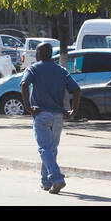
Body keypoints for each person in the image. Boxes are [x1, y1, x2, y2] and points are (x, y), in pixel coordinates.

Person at [19, 42, 81, 194]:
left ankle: (56, 178)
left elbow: (24, 84)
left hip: (40, 114)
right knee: (51, 149)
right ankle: (45, 181)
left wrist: (27, 107)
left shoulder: (33, 68)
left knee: (44, 148)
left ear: (39, 54)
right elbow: (77, 89)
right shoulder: (61, 70)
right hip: (58, 116)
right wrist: (74, 109)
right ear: (51, 54)